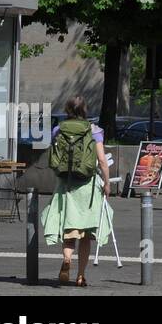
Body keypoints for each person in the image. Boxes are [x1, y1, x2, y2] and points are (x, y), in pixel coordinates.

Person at [41, 96, 112, 287]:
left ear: (67, 109)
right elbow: (102, 161)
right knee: (86, 234)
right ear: (85, 110)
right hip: (87, 186)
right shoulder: (94, 131)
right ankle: (81, 275)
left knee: (69, 229)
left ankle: (66, 258)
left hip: (66, 185)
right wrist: (107, 183)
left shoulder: (58, 130)